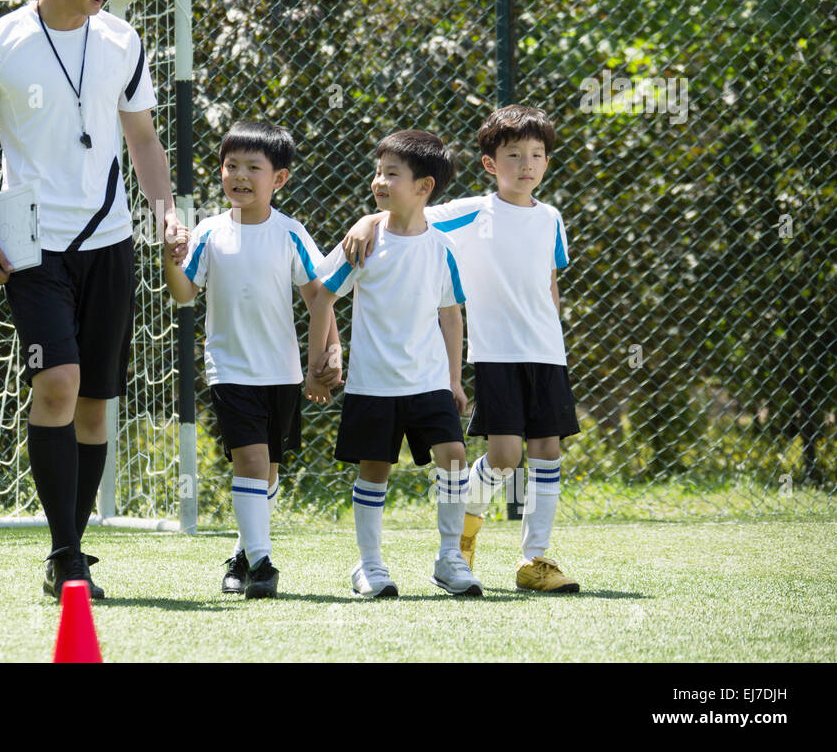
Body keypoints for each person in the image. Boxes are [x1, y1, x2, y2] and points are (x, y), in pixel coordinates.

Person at [0, 0, 187, 600]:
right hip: (32, 248)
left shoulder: (123, 41)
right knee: (55, 385)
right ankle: (66, 553)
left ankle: (71, 554)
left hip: (109, 242)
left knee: (93, 405)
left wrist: (166, 211)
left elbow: (143, 139)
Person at [340, 105, 580, 593]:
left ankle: (535, 560)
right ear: (491, 163)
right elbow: (405, 210)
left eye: (537, 154)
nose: (527, 164)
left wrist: (556, 341)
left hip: (547, 354)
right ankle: (466, 510)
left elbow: (550, 284)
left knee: (548, 451)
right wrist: (368, 219)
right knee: (506, 457)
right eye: (514, 155)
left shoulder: (552, 218)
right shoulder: (472, 211)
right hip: (496, 354)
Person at [163, 121, 341, 599]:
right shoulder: (208, 231)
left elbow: (318, 295)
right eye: (231, 166)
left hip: (281, 374)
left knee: (269, 472)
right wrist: (168, 258)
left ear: (278, 179)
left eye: (252, 168)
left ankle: (243, 555)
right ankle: (264, 565)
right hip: (230, 370)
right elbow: (184, 292)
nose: (239, 176)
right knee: (251, 461)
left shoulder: (291, 233)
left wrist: (329, 352)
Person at [306, 129, 482, 598]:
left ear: (424, 187)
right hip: (372, 386)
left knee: (454, 457)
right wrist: (321, 358)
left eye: (391, 174)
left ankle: (450, 559)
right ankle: (368, 566)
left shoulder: (443, 249)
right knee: (374, 469)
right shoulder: (362, 241)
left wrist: (454, 382)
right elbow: (322, 296)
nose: (379, 181)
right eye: (377, 172)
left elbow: (450, 315)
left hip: (428, 385)